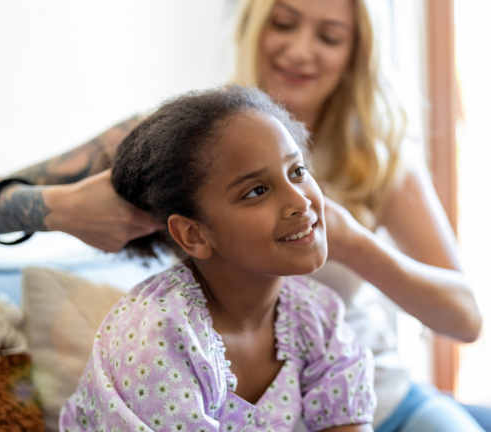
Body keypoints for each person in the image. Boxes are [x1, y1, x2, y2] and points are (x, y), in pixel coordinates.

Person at [0, 1, 491, 431]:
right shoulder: (175, 143)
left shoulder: (378, 157)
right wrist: (61, 206)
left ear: (354, 53)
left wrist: (349, 240)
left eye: (329, 36)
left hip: (380, 395)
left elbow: (465, 319)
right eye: (284, 22)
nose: (301, 50)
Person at [59, 85, 375, 432]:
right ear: (194, 235)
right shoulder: (156, 334)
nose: (300, 202)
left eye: (297, 171)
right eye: (256, 191)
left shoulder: (317, 316)